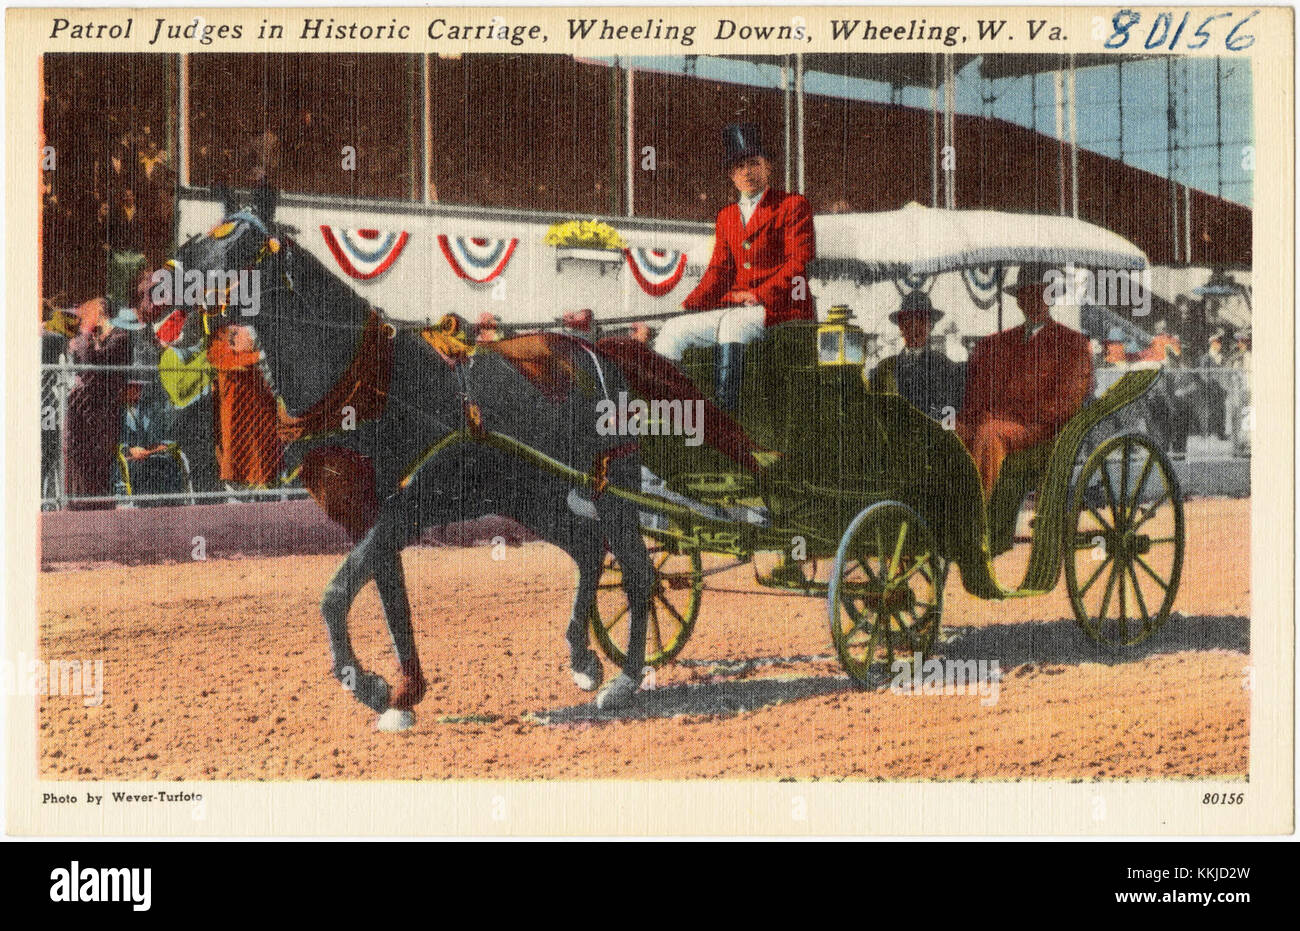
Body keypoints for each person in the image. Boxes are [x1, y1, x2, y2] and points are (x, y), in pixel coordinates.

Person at [653, 123, 816, 410]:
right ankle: (669, 411)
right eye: (739, 166)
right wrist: (689, 305)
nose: (747, 172)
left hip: (782, 307)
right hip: (738, 308)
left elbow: (798, 262)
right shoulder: (727, 216)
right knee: (673, 330)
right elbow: (719, 271)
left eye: (753, 163)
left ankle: (726, 415)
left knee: (732, 323)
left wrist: (759, 294)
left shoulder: (792, 205)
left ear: (768, 167)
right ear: (731, 175)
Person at [956, 263, 1093, 497]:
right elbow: (979, 394)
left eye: (1041, 293)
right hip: (999, 424)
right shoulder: (1000, 342)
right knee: (951, 431)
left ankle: (979, 518)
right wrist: (976, 416)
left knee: (990, 435)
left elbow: (1066, 403)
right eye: (1027, 294)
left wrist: (1010, 416)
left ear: (1052, 298)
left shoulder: (1072, 343)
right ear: (1019, 300)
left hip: (1041, 430)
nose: (1034, 300)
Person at [63, 297, 132, 509]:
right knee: (75, 455)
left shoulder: (120, 338)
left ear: (101, 312)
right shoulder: (94, 338)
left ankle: (95, 509)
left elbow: (92, 367)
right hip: (82, 409)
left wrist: (84, 336)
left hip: (102, 411)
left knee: (96, 462)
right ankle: (75, 505)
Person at [869, 291, 965, 423]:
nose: (914, 328)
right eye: (908, 322)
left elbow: (949, 419)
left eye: (921, 320)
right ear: (901, 328)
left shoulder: (946, 368)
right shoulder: (885, 368)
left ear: (930, 326)